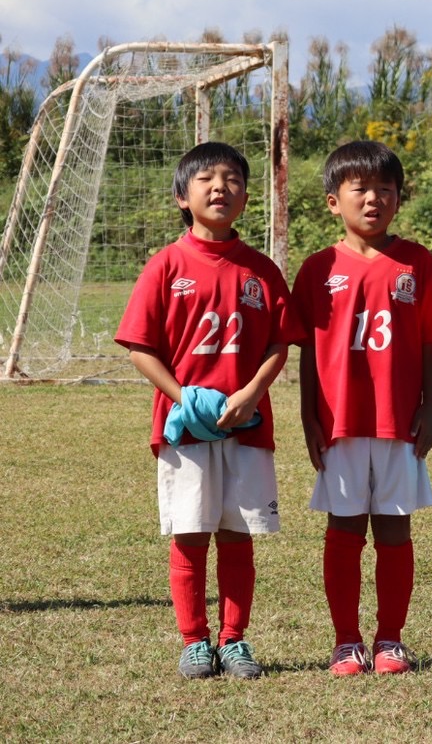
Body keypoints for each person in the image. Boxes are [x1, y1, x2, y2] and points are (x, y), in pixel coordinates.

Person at [115, 142, 296, 680]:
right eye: (207, 179)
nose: (220, 187)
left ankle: (234, 640)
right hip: (185, 430)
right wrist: (184, 398)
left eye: (233, 178)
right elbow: (140, 347)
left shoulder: (261, 269)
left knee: (238, 534)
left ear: (246, 196)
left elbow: (279, 344)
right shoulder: (166, 265)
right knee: (191, 533)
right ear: (182, 196)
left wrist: (251, 393)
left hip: (247, 427)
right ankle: (195, 641)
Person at [292, 140, 432, 675]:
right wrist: (309, 417)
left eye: (386, 189)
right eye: (360, 189)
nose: (374, 199)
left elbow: (429, 342)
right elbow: (308, 351)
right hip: (341, 423)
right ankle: (346, 641)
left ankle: (390, 640)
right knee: (345, 527)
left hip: (399, 420)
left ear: (399, 197)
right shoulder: (318, 268)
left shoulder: (417, 262)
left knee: (395, 529)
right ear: (334, 201)